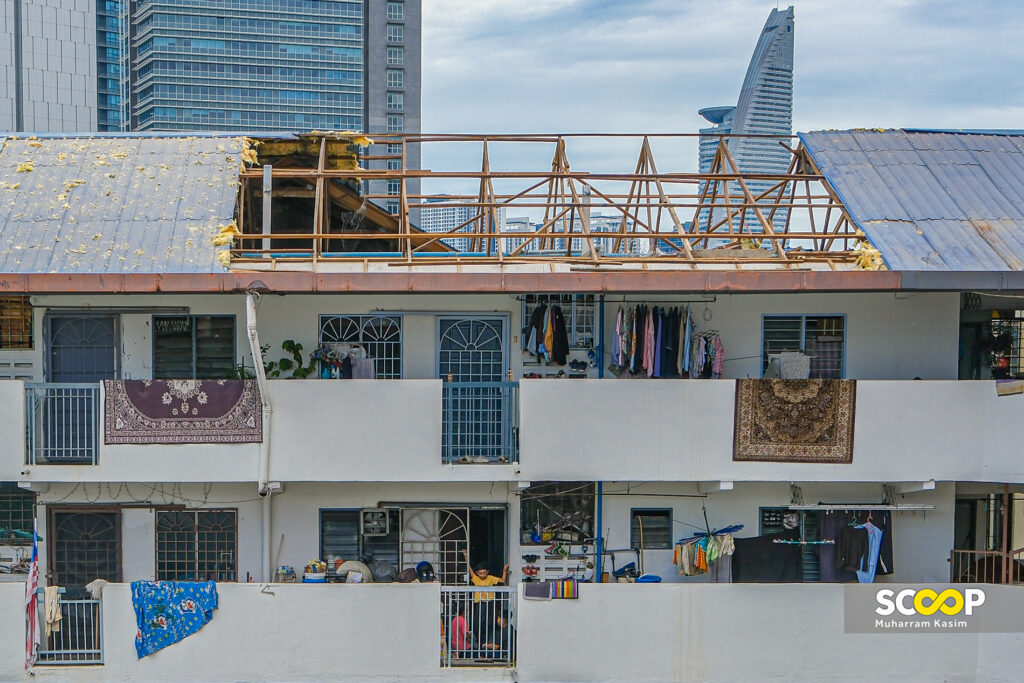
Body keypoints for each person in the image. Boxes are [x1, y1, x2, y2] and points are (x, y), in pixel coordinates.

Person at [461, 549, 508, 654]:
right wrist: (465, 556)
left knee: (490, 623)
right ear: (478, 573)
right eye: (480, 573)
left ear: (487, 572)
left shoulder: (490, 578)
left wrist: (504, 570)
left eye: (484, 573)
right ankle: (480, 641)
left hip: (490, 603)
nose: (482, 575)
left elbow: (502, 580)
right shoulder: (476, 579)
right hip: (480, 604)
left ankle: (487, 643)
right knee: (477, 623)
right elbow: (469, 569)